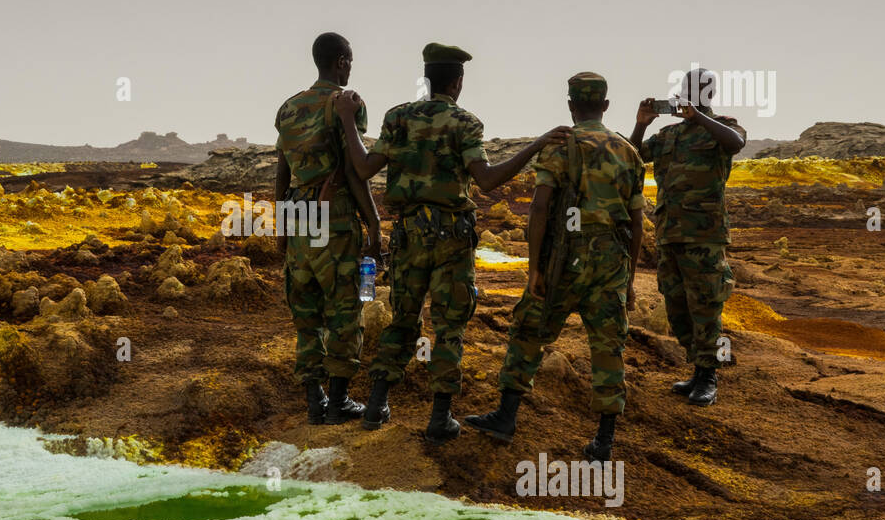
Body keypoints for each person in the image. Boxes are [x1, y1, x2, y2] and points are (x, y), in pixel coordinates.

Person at [333, 42, 569, 440]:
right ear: (458, 82)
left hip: (408, 236)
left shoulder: (397, 117)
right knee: (449, 328)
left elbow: (363, 167)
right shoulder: (465, 123)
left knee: (402, 321)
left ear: (426, 79)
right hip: (452, 238)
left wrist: (347, 121)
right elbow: (488, 179)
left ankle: (375, 405)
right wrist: (537, 145)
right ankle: (439, 417)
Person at [466, 72, 645, 461]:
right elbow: (636, 223)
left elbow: (541, 208)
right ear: (606, 105)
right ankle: (604, 439)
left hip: (566, 257)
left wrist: (535, 269)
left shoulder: (561, 146)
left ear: (570, 106)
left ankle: (506, 417)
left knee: (530, 330)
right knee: (609, 345)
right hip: (611, 260)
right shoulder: (628, 152)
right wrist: (628, 279)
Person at [274, 32, 382, 424]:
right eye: (349, 60)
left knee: (305, 311)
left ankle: (314, 401)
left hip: (298, 217)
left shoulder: (288, 108)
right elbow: (355, 170)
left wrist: (282, 229)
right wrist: (373, 223)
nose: (351, 67)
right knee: (343, 309)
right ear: (340, 62)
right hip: (333, 219)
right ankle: (339, 401)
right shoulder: (346, 104)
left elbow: (282, 172)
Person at [630, 68, 747, 406]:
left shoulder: (723, 127)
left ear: (708, 95)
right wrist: (641, 123)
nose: (691, 94)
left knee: (706, 304)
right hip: (670, 234)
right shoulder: (668, 136)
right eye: (687, 89)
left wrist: (699, 117)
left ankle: (709, 375)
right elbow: (631, 156)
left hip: (705, 235)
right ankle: (697, 370)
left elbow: (736, 143)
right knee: (677, 304)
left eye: (698, 90)